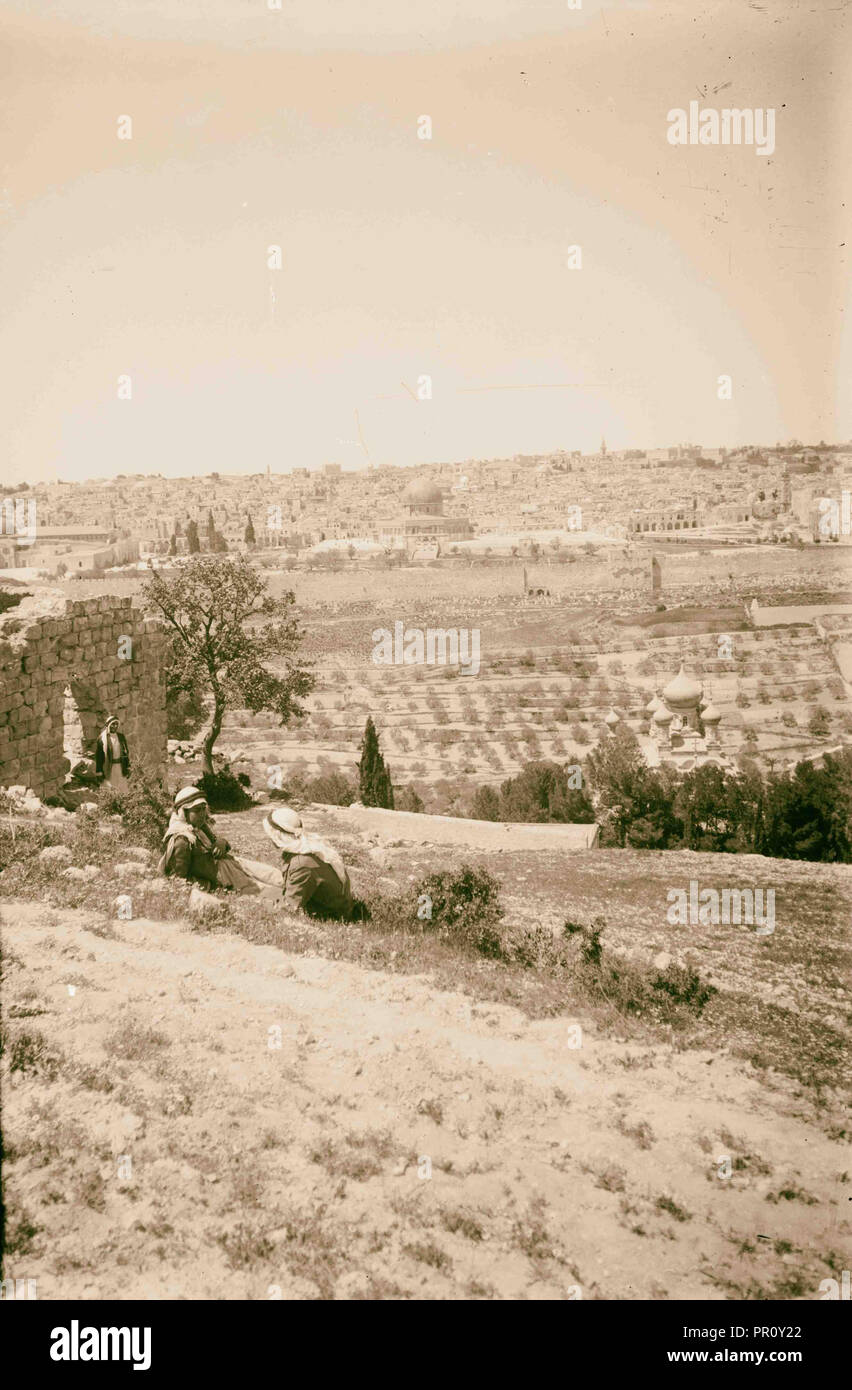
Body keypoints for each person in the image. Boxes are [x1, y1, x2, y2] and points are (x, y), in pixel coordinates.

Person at [160, 786, 282, 898]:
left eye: (203, 809)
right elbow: (177, 879)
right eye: (197, 810)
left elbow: (218, 841)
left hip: (232, 863)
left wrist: (221, 843)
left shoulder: (199, 826)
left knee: (273, 874)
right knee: (268, 892)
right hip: (223, 877)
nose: (202, 814)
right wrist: (211, 886)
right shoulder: (182, 840)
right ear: (184, 812)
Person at [262, 805, 352, 918]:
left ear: (278, 835)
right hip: (321, 901)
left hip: (328, 915)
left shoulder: (301, 864)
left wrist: (258, 903)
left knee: (260, 894)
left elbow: (289, 909)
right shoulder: (305, 846)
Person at [95, 715, 130, 789]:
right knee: (111, 789)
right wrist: (99, 771)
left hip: (121, 767)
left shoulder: (121, 737)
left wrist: (128, 767)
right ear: (108, 725)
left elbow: (126, 753)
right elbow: (99, 757)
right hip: (109, 768)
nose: (115, 726)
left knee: (122, 789)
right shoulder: (102, 739)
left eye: (116, 724)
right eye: (113, 724)